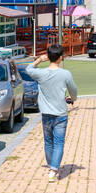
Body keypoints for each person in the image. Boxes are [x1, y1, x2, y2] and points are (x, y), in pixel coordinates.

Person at [25, 44, 78, 182]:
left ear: (48, 57)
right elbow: (73, 90)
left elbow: (28, 69)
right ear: (60, 57)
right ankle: (54, 169)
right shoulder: (65, 74)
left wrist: (38, 60)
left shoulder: (41, 73)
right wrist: (72, 99)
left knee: (48, 141)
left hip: (46, 113)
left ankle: (51, 166)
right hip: (60, 113)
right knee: (59, 142)